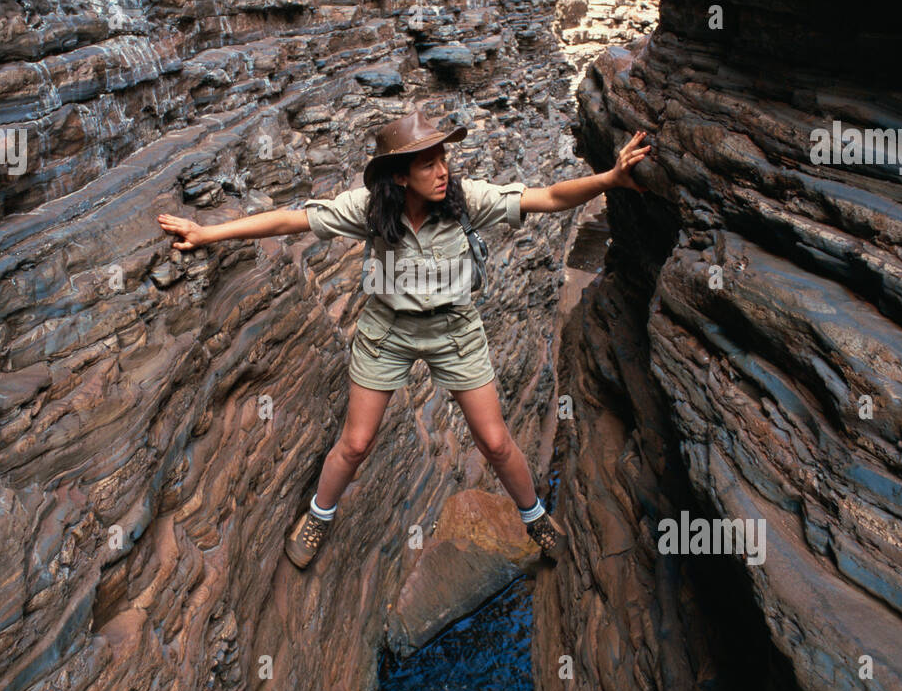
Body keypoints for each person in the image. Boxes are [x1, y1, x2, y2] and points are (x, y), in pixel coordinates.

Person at [157, 109, 651, 569]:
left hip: (454, 331)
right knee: (355, 443)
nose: (442, 171)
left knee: (497, 442)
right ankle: (318, 516)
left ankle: (534, 516)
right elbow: (293, 220)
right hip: (386, 333)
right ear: (399, 175)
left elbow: (546, 198)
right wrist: (206, 233)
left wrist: (608, 180)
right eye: (428, 163)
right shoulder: (370, 210)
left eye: (444, 159)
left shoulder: (465, 201)